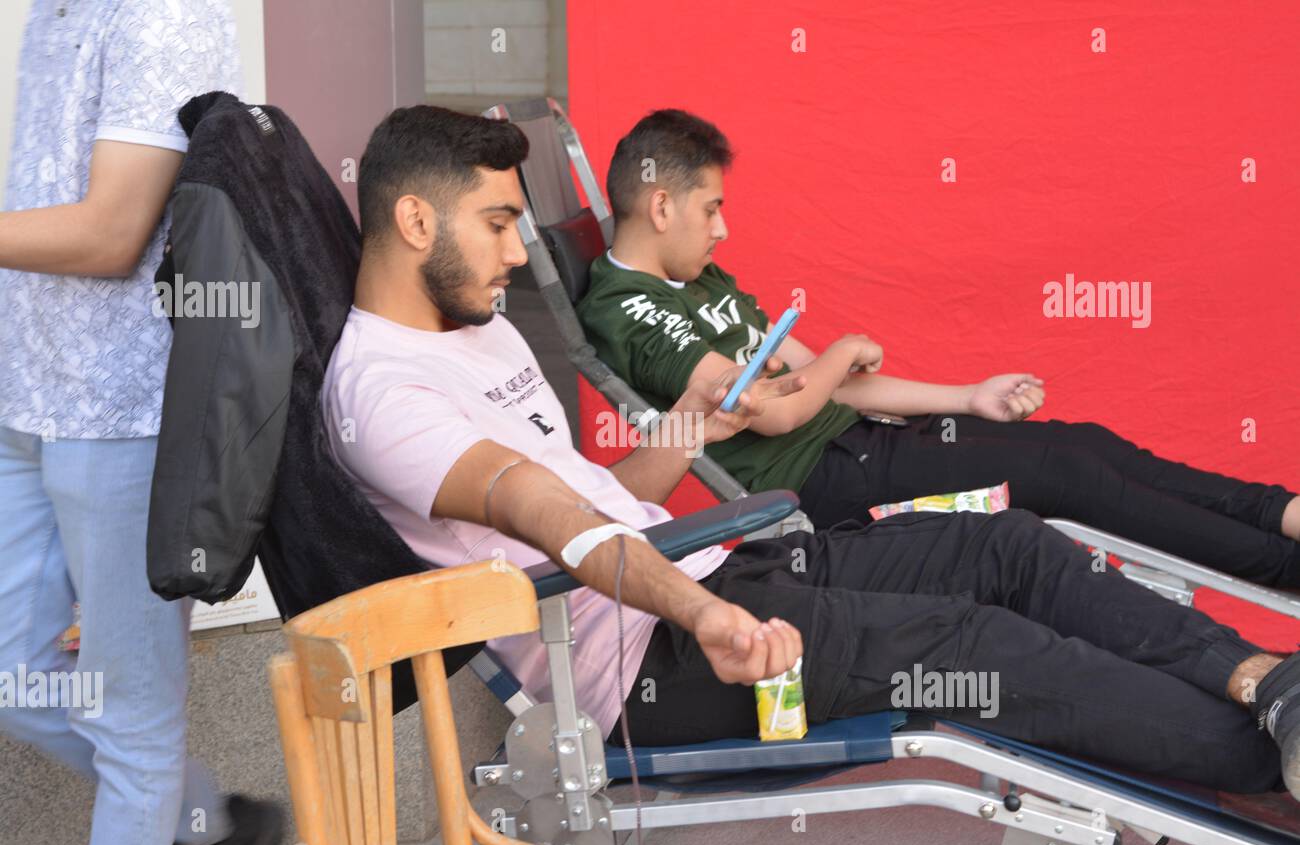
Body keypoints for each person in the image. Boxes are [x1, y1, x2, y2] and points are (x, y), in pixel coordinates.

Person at [322, 105, 1300, 804]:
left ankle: (1266, 683)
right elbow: (550, 516)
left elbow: (599, 495)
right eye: (496, 223)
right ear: (416, 221)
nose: (511, 251)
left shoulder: (474, 330)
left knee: (1007, 545)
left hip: (710, 562)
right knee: (977, 646)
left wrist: (688, 428)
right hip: (654, 662)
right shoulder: (384, 393)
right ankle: (1266, 763)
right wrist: (706, 606)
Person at [575, 109, 1300, 591]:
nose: (723, 229)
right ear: (661, 205)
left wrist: (967, 397)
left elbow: (819, 384)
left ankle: (1283, 513)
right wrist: (843, 351)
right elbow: (763, 410)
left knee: (1082, 442)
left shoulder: (702, 279)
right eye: (712, 208)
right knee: (1069, 475)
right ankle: (1283, 564)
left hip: (867, 443)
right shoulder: (631, 306)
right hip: (825, 483)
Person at [0, 0, 280, 845]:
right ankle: (198, 817)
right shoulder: (55, 14)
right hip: (24, 394)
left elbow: (113, 232)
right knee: (14, 678)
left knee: (131, 725)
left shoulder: (166, 11)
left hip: (123, 415)